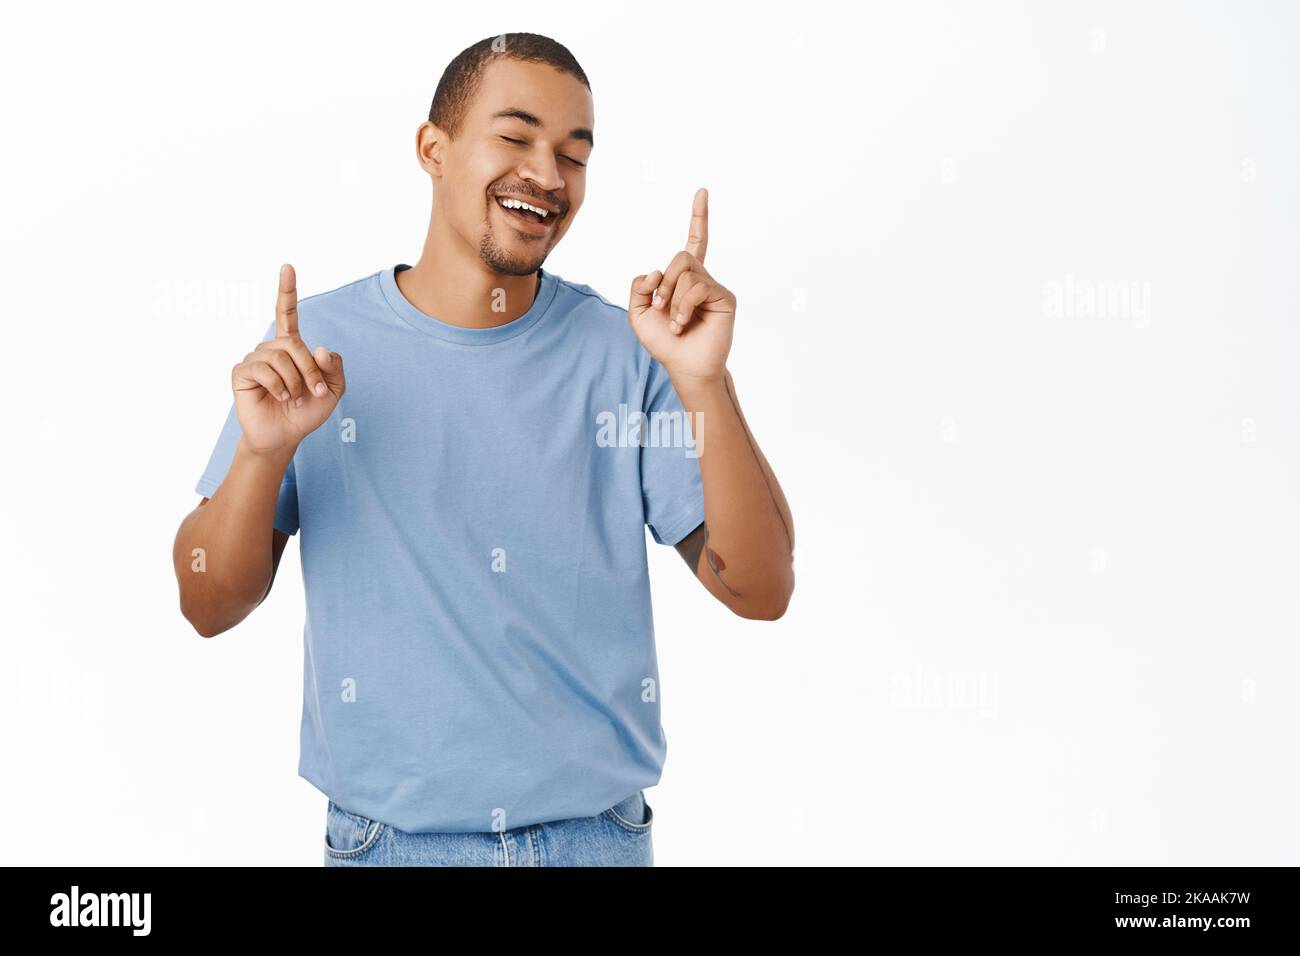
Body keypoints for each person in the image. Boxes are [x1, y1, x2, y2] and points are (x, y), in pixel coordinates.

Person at [172, 32, 795, 867]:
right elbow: (207, 605)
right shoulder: (314, 350)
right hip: (389, 846)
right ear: (434, 148)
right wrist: (262, 456)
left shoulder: (629, 354)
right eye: (515, 135)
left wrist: (705, 383)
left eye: (574, 154)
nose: (547, 172)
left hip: (595, 842)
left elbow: (760, 589)